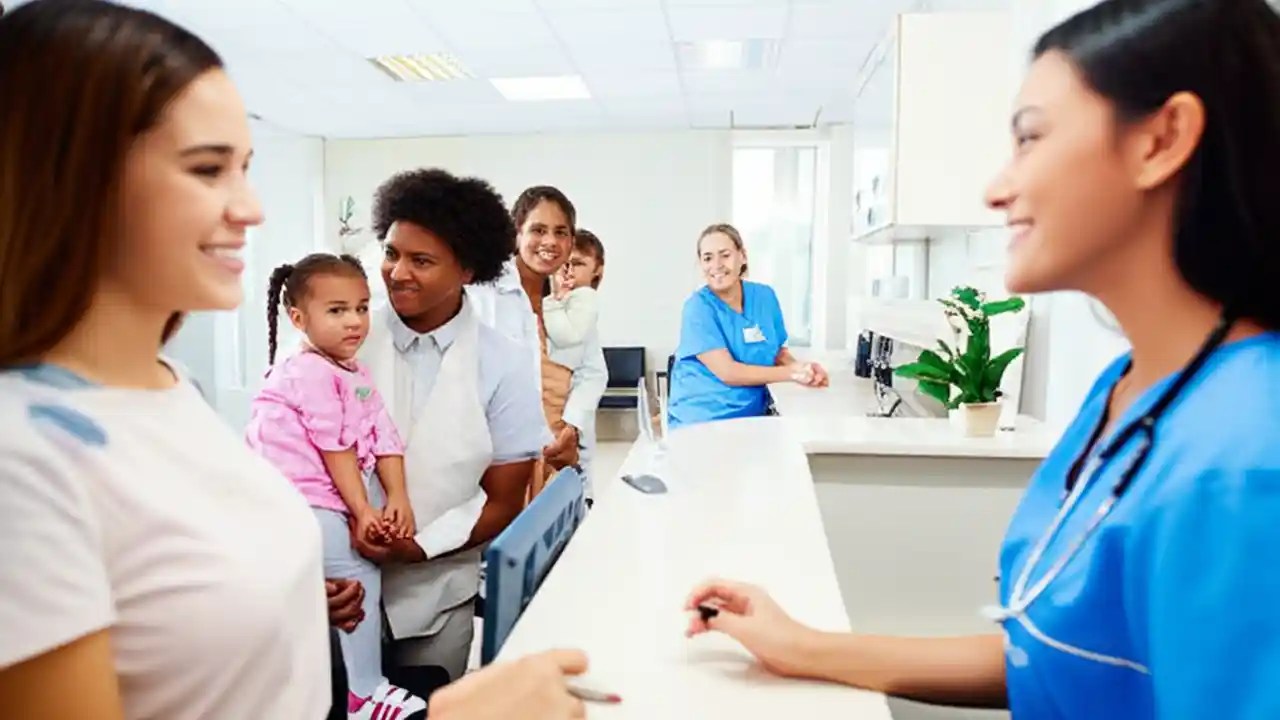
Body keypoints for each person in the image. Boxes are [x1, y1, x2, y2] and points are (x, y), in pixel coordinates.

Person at [686, 1, 1280, 717]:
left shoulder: (1250, 454)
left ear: (1162, 139)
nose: (997, 188)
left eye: (1030, 139)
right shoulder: (1125, 389)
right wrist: (802, 645)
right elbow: (1039, 652)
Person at [0, 2, 328, 717]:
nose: (250, 208)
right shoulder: (19, 460)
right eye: (208, 170)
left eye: (245, 168)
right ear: (73, 176)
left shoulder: (172, 389)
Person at [354, 168, 550, 699]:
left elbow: (505, 497)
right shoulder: (343, 339)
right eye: (392, 253)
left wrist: (417, 550)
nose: (398, 272)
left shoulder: (503, 361)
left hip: (436, 593)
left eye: (421, 260)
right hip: (338, 591)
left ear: (467, 269)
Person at [244, 252, 425, 719]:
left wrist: (398, 497)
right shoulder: (306, 370)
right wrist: (363, 511)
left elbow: (382, 432)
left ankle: (362, 685)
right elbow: (335, 446)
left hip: (325, 497)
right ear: (298, 318)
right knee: (356, 579)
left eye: (362, 307)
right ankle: (364, 692)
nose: (356, 322)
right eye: (337, 310)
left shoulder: (353, 371)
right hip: (298, 503)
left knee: (361, 577)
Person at [470, 187, 608, 500]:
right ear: (516, 233)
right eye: (538, 230)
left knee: (561, 536)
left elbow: (592, 372)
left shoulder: (572, 301)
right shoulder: (485, 294)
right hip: (499, 460)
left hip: (560, 451)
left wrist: (572, 428)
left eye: (561, 232)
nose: (550, 241)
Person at [667, 223, 828, 428]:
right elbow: (728, 372)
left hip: (750, 417)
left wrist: (804, 369)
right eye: (708, 258)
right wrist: (792, 373)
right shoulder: (698, 308)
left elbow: (775, 351)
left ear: (742, 256)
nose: (716, 265)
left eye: (725, 255)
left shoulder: (764, 297)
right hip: (701, 420)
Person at [543, 228, 605, 349]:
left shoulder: (586, 295)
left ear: (598, 269)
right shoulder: (559, 300)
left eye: (577, 264)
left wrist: (553, 302)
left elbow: (569, 339)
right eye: (563, 263)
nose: (569, 271)